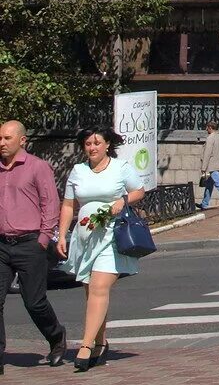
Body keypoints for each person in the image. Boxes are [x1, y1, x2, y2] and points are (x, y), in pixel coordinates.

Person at [57, 126, 146, 371]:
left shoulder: (120, 167)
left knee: (98, 287)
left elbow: (139, 190)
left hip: (112, 237)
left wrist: (122, 200)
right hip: (85, 239)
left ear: (108, 144)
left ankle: (85, 346)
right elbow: (68, 205)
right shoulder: (78, 171)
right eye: (88, 144)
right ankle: (100, 342)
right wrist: (62, 235)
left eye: (97, 143)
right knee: (92, 294)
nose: (92, 147)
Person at [0, 120, 67, 372]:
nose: (2, 143)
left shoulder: (38, 167)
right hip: (2, 245)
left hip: (30, 243)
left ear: (22, 140)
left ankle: (56, 337)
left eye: (7, 138)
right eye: (0, 138)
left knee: (34, 302)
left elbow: (50, 204)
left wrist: (42, 239)